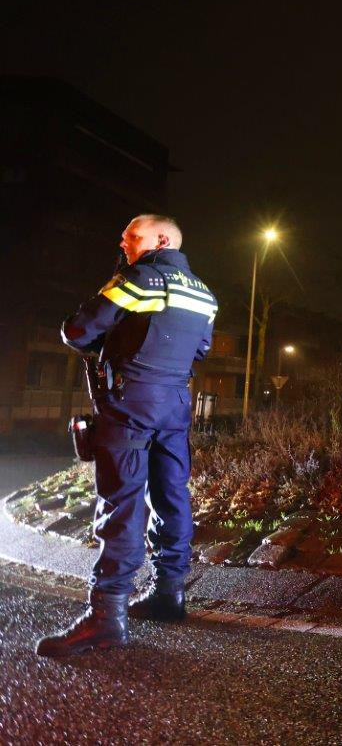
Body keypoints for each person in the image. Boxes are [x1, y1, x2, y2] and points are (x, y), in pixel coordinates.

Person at [37, 215, 217, 657]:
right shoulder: (204, 293)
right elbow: (201, 350)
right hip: (175, 403)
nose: (123, 242)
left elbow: (79, 331)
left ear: (161, 240)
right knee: (172, 495)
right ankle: (169, 595)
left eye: (132, 236)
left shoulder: (139, 277)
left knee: (121, 500)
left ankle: (106, 617)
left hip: (130, 402)